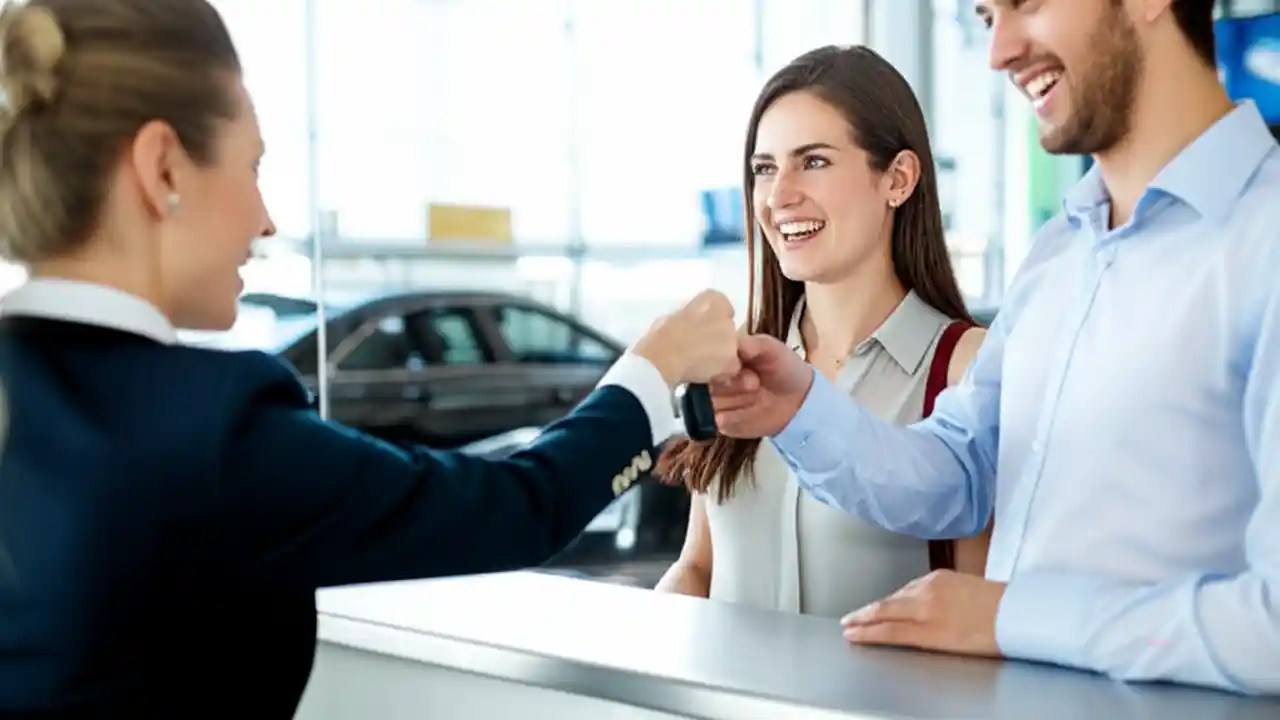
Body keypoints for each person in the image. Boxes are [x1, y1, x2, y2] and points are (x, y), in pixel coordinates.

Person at [0, 1, 739, 716]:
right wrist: (653, 366)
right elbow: (515, 509)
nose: (267, 220)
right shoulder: (208, 428)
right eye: (253, 167)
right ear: (163, 167)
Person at [707, 0, 1280, 696]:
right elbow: (961, 472)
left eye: (1026, 4)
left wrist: (1012, 617)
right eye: (985, 17)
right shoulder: (1062, 251)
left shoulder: (1265, 242)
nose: (999, 51)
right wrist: (802, 409)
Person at [654, 46, 988, 617]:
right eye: (764, 169)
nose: (778, 196)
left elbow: (979, 610)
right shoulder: (736, 361)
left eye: (813, 162)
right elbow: (698, 568)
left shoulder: (966, 369)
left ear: (898, 179)